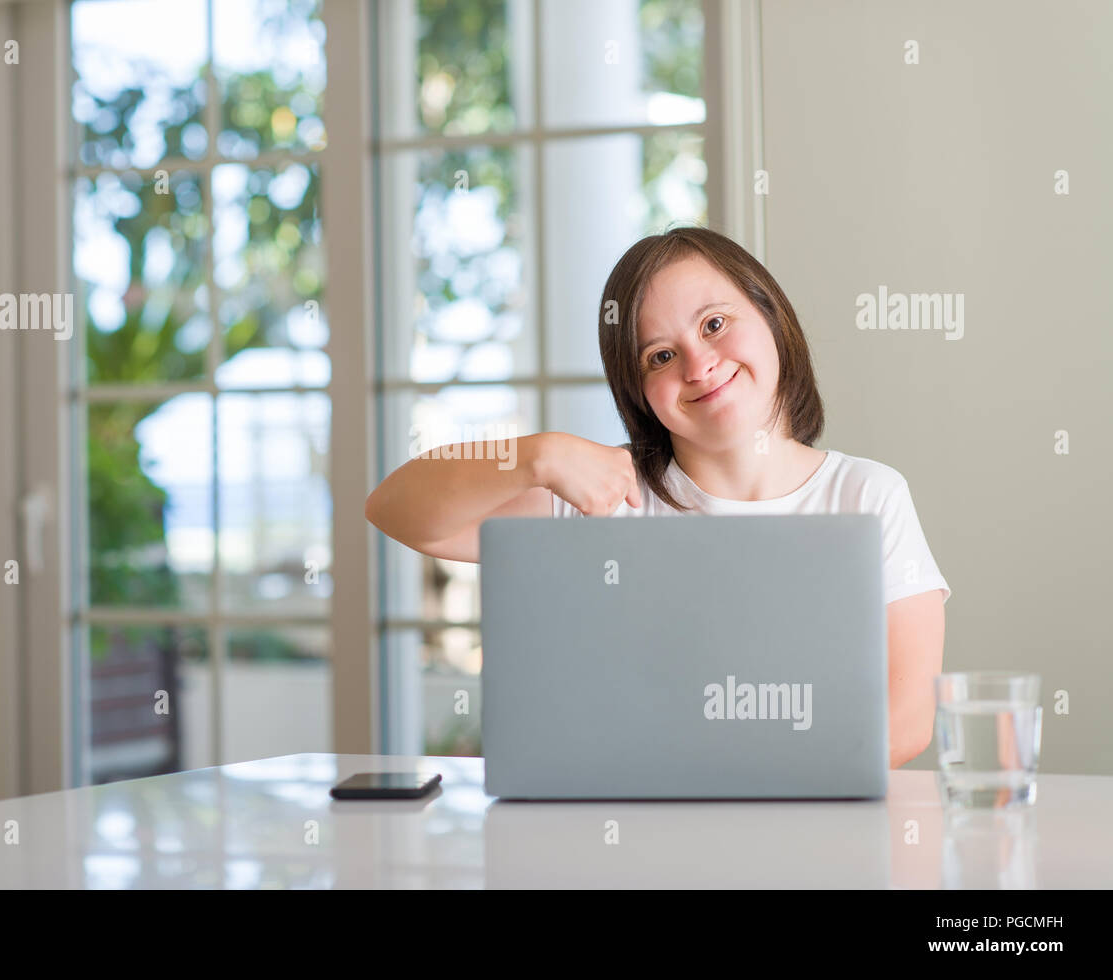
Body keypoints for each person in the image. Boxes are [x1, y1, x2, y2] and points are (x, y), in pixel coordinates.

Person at [365, 226, 950, 768]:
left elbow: (907, 720)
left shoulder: (869, 494)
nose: (699, 364)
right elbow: (396, 508)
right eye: (661, 356)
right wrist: (534, 457)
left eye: (715, 324)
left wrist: (732, 791)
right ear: (639, 391)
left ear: (772, 318)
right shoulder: (604, 498)